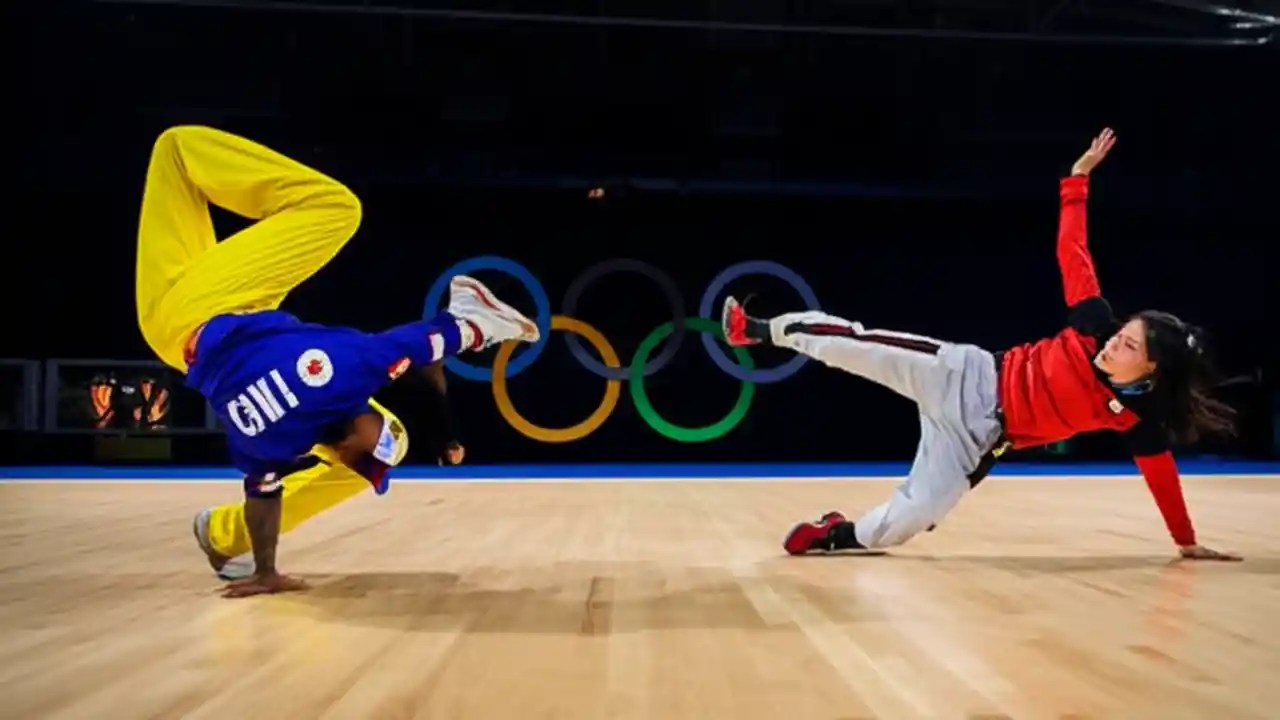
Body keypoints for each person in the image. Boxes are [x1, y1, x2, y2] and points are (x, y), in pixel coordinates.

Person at [721, 128, 1241, 561]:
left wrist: (1186, 543)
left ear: (1150, 371)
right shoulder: (1093, 326)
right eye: (1121, 335)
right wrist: (1078, 179)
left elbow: (1162, 480)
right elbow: (1073, 252)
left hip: (977, 440)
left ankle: (834, 533)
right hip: (964, 375)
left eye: (1128, 348)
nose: (1113, 346)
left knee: (905, 524)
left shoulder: (1138, 420)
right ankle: (757, 328)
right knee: (853, 345)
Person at [135, 125, 541, 597]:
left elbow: (410, 346)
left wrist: (467, 328)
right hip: (168, 336)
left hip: (213, 306)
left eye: (369, 446)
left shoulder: (335, 375)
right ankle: (224, 536)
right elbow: (262, 491)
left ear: (342, 445)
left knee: (331, 208)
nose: (378, 432)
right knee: (171, 156)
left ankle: (474, 323)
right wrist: (265, 571)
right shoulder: (272, 446)